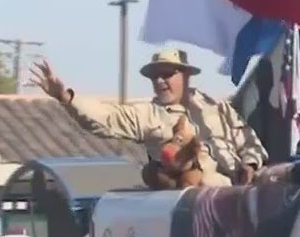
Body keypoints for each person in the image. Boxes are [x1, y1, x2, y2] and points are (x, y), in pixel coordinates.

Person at [31, 49, 266, 188]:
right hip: (200, 202)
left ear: (186, 76)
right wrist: (65, 97)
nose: (160, 81)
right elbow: (104, 118)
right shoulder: (147, 114)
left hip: (246, 191)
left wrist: (251, 164)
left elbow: (246, 138)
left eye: (167, 74)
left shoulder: (215, 107)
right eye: (155, 77)